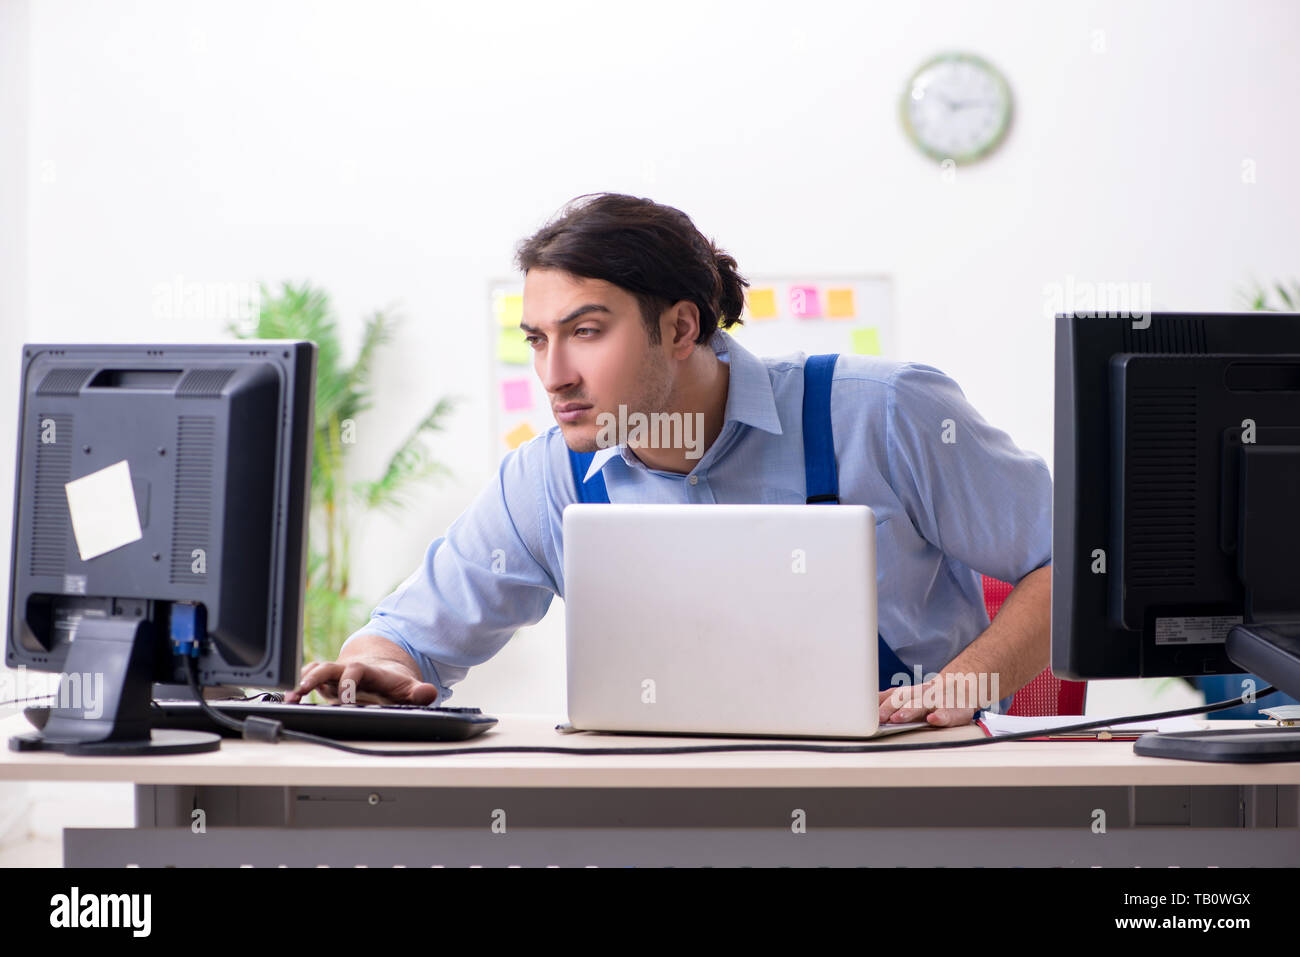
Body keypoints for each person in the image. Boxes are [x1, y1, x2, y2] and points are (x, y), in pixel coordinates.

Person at [287, 192, 1053, 727]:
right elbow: (409, 637)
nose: (553, 373)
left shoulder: (880, 413)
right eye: (537, 339)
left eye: (586, 331)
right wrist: (373, 664)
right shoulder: (554, 477)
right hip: (672, 813)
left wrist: (963, 683)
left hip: (913, 797)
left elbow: (1074, 560)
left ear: (680, 327)